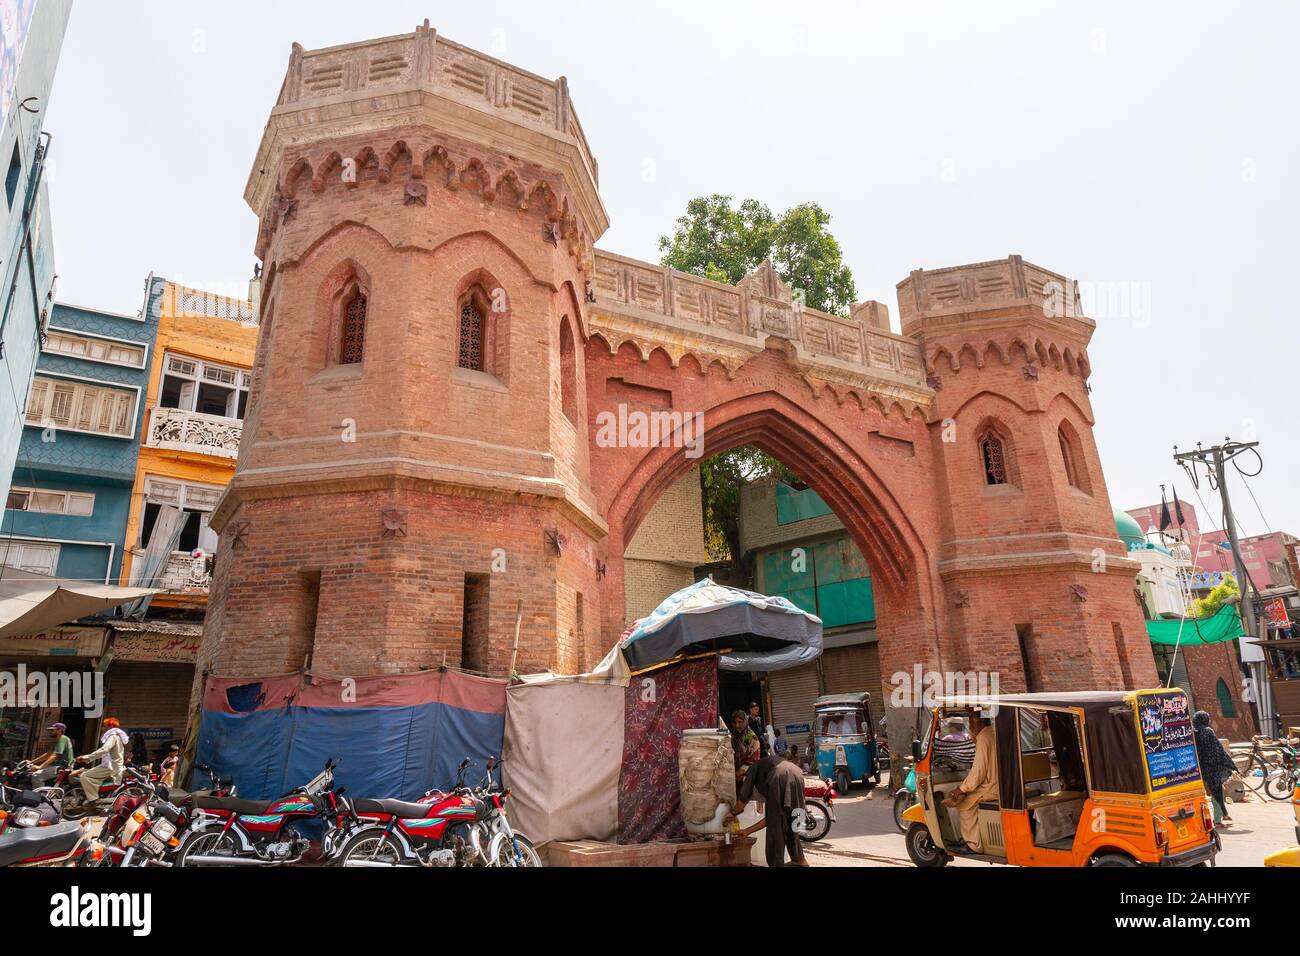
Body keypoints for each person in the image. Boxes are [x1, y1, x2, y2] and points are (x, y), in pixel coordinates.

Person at [731, 754, 809, 867]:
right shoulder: (767, 766)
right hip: (797, 773)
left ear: (742, 772)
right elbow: (770, 817)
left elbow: (742, 802)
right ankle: (800, 861)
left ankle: (776, 864)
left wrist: (731, 813)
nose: (739, 779)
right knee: (793, 825)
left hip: (779, 776)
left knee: (775, 832)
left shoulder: (753, 769)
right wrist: (747, 831)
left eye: (738, 777)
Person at [942, 713, 997, 853]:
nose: (970, 727)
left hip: (992, 787)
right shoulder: (992, 732)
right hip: (998, 784)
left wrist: (960, 790)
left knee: (965, 805)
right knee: (968, 795)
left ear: (977, 722)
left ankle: (973, 844)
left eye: (971, 724)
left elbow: (977, 773)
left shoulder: (983, 737)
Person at [1192, 710, 1235, 826]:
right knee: (1216, 792)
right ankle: (1217, 820)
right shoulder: (1208, 731)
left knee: (1215, 791)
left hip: (1202, 767)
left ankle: (1224, 814)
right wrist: (1230, 764)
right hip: (1212, 767)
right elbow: (1218, 749)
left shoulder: (1194, 733)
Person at [75, 717, 129, 800]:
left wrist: (87, 757)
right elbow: (104, 752)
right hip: (114, 766)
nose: (103, 728)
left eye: (104, 726)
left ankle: (93, 800)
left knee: (84, 776)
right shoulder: (117, 737)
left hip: (110, 767)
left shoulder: (113, 736)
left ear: (110, 726)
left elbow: (104, 750)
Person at [29, 722, 75, 787]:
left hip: (62, 767)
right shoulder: (60, 740)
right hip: (58, 766)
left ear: (60, 730)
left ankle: (40, 795)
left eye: (53, 730)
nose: (50, 732)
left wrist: (40, 767)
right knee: (30, 771)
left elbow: (55, 756)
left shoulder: (62, 739)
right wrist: (31, 762)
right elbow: (48, 754)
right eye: (50, 730)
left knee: (36, 775)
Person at [731, 710, 761, 782]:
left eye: (739, 722)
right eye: (735, 723)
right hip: (735, 779)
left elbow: (751, 762)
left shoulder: (753, 738)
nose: (737, 725)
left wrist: (734, 776)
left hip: (748, 780)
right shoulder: (734, 738)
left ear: (745, 722)